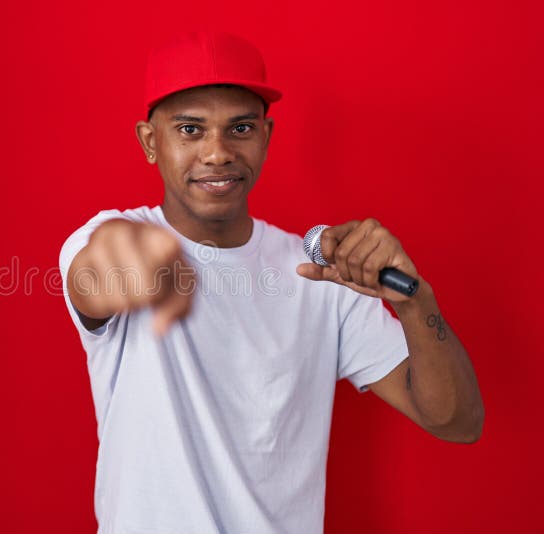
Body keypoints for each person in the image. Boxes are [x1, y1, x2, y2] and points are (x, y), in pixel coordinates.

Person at [58, 31, 484, 534]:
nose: (217, 153)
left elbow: (458, 422)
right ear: (151, 142)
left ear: (266, 136)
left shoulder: (320, 276)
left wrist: (416, 302)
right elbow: (94, 280)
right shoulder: (108, 236)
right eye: (190, 130)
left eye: (239, 128)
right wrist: (126, 263)